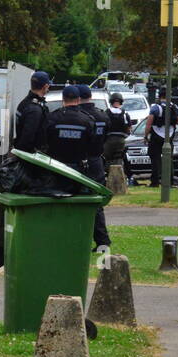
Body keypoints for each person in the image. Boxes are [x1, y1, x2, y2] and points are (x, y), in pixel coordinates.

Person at [76, 86, 112, 250]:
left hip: (79, 161)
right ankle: (102, 241)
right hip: (97, 161)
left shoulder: (78, 116)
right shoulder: (103, 115)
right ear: (90, 96)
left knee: (74, 199)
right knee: (97, 203)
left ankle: (77, 237)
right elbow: (105, 137)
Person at [146, 88, 178, 187]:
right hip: (169, 135)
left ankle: (155, 182)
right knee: (169, 159)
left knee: (155, 159)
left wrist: (145, 135)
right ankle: (170, 181)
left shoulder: (155, 108)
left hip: (156, 135)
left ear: (159, 96)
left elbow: (149, 123)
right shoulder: (175, 107)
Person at [13, 70, 52, 152]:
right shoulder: (35, 109)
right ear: (45, 86)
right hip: (31, 157)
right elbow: (27, 138)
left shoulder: (25, 102)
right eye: (48, 86)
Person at [103, 92, 133, 169]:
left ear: (111, 101)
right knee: (119, 159)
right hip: (121, 140)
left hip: (109, 140)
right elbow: (129, 127)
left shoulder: (106, 112)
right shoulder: (125, 113)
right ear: (121, 102)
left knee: (107, 159)